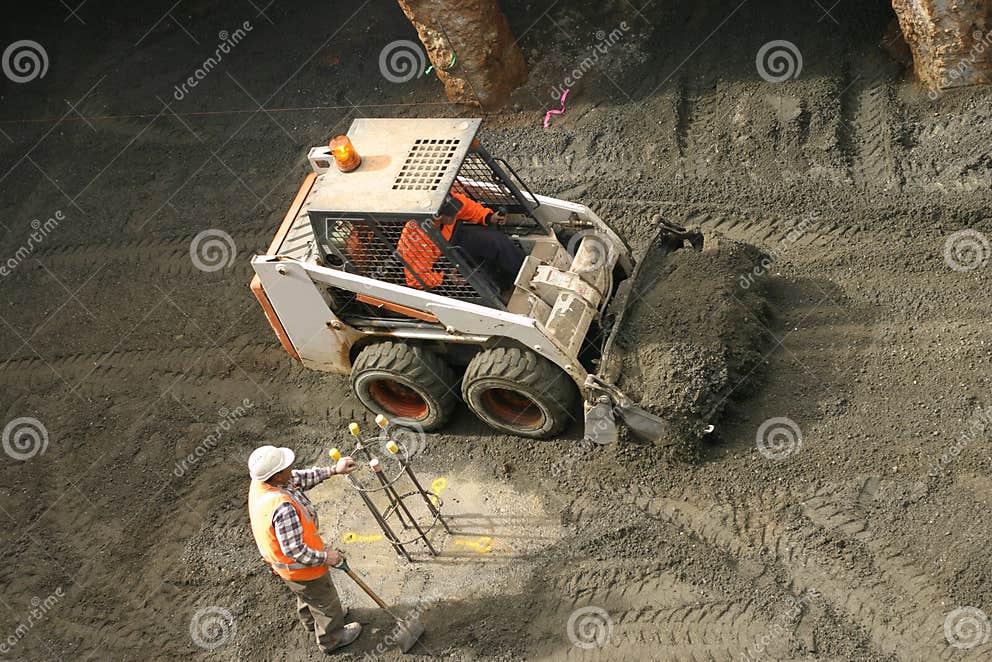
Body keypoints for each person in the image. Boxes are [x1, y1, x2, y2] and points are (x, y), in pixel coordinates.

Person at [247, 445, 362, 654]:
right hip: (302, 567)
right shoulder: (282, 508)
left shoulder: (263, 484)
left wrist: (334, 470)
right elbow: (296, 551)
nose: (291, 466)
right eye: (286, 466)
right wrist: (326, 557)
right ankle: (332, 638)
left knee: (306, 595)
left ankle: (311, 621)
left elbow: (298, 479)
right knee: (325, 600)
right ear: (277, 475)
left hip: (288, 570)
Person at [397, 189, 525, 295]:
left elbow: (467, 207)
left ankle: (525, 277)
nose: (453, 214)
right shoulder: (415, 240)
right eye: (449, 214)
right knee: (481, 283)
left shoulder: (447, 200)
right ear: (435, 216)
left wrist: (489, 217)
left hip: (456, 236)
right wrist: (445, 278)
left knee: (496, 241)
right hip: (440, 262)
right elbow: (414, 279)